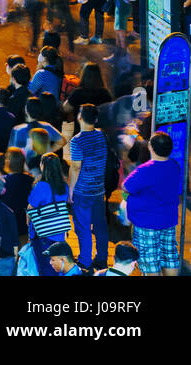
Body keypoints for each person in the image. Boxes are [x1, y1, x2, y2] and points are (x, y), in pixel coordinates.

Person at [121, 130, 183, 276]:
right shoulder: (174, 165)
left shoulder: (146, 169)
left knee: (150, 260)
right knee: (169, 256)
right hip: (168, 220)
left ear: (151, 147)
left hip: (147, 222)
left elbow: (126, 186)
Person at [67, 103, 110, 271]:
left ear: (79, 117)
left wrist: (71, 190)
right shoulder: (101, 136)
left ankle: (85, 260)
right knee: (100, 225)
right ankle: (102, 259)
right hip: (98, 189)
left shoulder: (77, 141)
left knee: (83, 227)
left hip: (82, 191)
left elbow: (76, 167)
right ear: (96, 119)